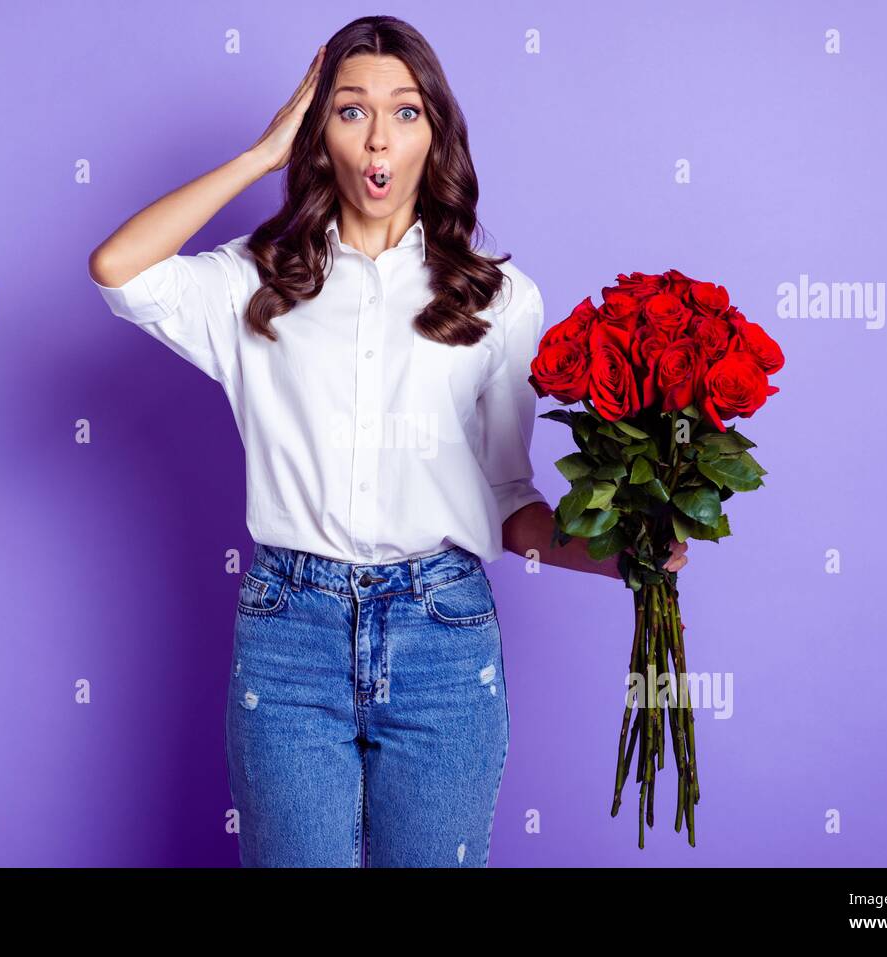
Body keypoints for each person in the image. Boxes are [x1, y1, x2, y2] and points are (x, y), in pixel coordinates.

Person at [89, 15, 688, 868]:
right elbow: (119, 268)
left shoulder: (498, 300)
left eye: (406, 112)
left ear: (435, 131)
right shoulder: (255, 280)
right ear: (316, 132)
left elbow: (512, 505)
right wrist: (260, 157)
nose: (379, 136)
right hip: (289, 632)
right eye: (349, 110)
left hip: (442, 632)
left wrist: (625, 554)